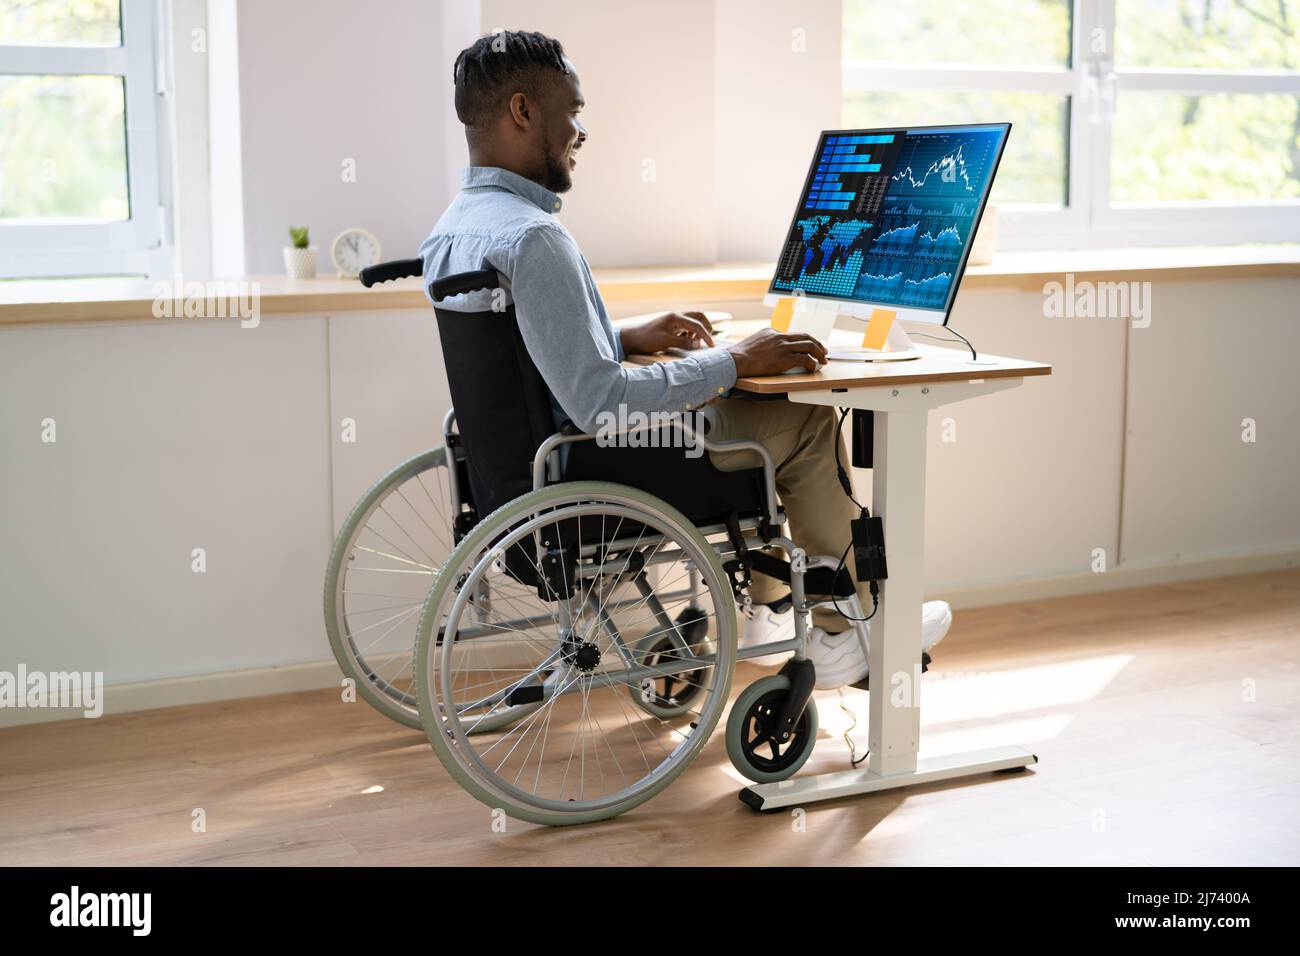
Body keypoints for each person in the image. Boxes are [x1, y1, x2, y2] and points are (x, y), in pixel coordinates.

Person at [420, 30, 950, 689]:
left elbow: (525, 352)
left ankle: (771, 610)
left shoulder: (458, 225)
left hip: (528, 475)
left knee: (740, 405)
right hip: (595, 465)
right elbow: (600, 403)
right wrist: (732, 360)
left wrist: (620, 336)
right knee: (804, 421)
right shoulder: (534, 236)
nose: (582, 131)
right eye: (573, 112)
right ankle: (851, 630)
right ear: (524, 112)